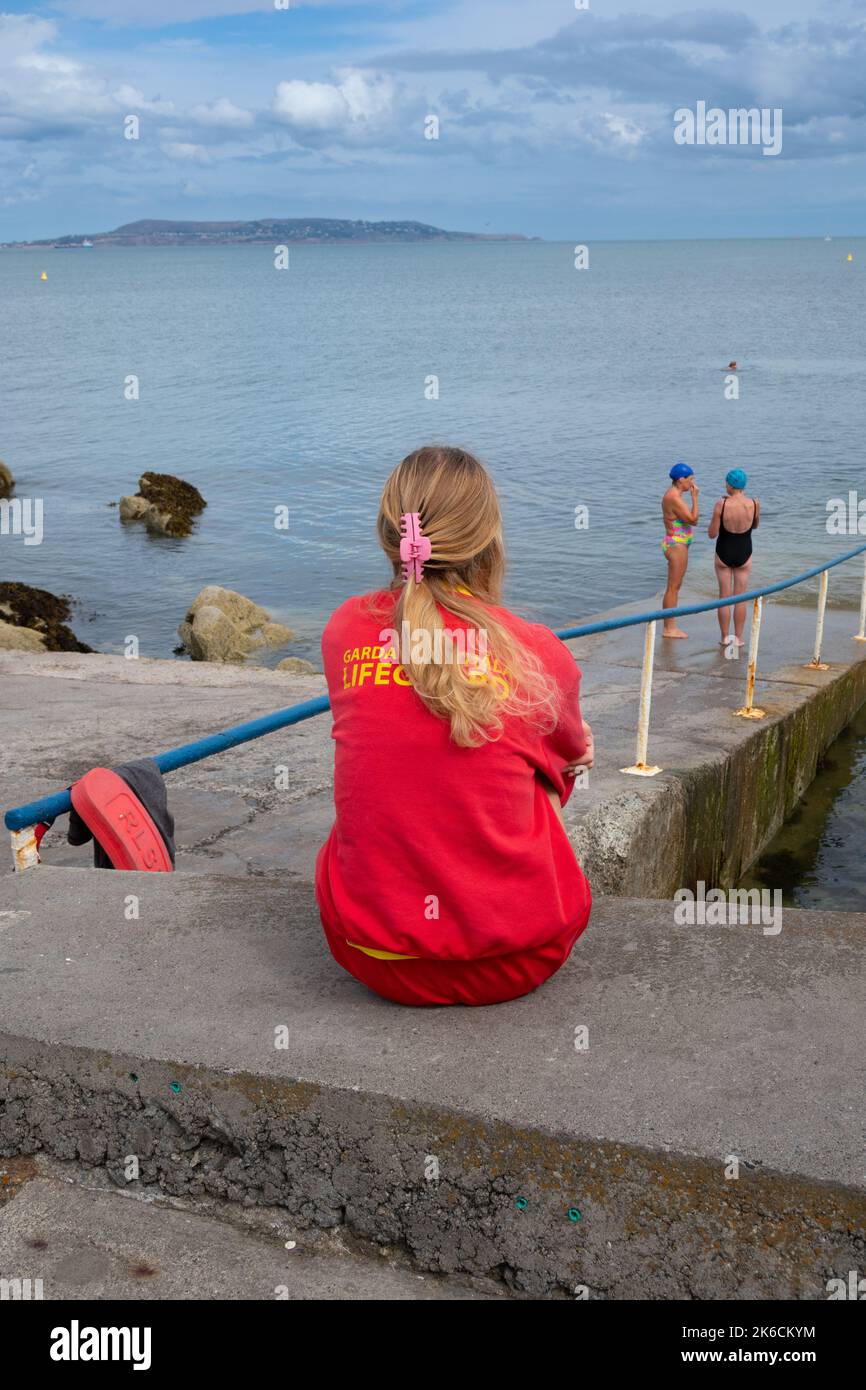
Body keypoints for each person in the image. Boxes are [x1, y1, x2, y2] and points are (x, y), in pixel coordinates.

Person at [315, 445, 593, 1007]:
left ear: (389, 534)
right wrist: (574, 755)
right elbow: (561, 768)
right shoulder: (534, 651)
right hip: (522, 957)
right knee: (542, 774)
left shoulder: (345, 629)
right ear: (488, 539)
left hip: (373, 958)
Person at [708, 468, 760, 646]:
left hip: (724, 551)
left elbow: (712, 534)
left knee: (724, 597)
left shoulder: (721, 505)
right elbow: (755, 525)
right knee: (740, 598)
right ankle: (738, 638)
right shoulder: (754, 503)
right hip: (745, 551)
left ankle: (724, 638)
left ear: (730, 485)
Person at [661, 462, 699, 639]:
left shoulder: (675, 495)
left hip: (678, 543)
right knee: (673, 587)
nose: (692, 483)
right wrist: (695, 498)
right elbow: (693, 519)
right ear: (680, 479)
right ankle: (669, 628)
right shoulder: (674, 497)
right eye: (690, 480)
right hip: (676, 545)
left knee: (675, 586)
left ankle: (670, 626)